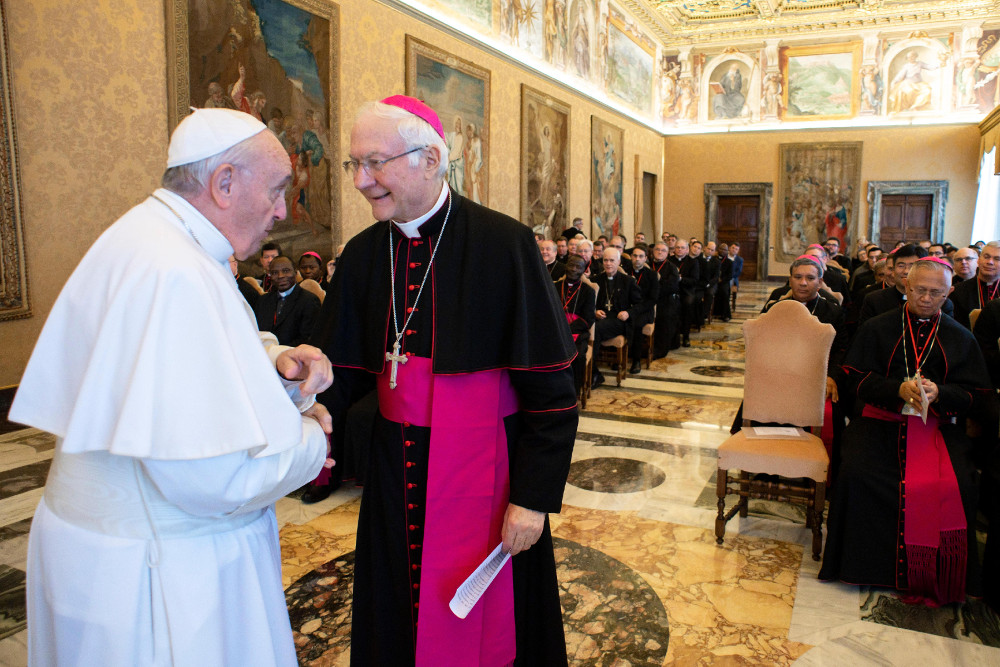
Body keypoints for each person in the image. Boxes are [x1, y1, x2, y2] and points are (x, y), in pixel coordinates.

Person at [10, 108, 335, 665]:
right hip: (160, 577)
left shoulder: (155, 239)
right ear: (224, 182)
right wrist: (312, 441)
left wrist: (275, 360)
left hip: (113, 552)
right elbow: (212, 480)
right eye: (278, 190)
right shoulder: (174, 269)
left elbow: (206, 343)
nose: (283, 210)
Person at [312, 96, 577, 665]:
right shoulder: (363, 256)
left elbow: (551, 392)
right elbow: (340, 374)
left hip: (491, 477)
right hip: (393, 474)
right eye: (353, 164)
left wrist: (532, 500)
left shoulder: (504, 245)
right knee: (395, 617)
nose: (361, 181)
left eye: (375, 162)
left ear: (430, 158)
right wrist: (306, 407)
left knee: (495, 623)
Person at [820, 258, 991, 605]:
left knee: (959, 480)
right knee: (855, 471)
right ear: (907, 288)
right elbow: (856, 379)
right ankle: (863, 566)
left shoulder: (961, 337)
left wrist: (941, 393)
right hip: (881, 420)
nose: (927, 298)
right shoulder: (877, 328)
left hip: (938, 427)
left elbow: (978, 395)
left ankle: (935, 572)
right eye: (920, 290)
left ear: (949, 292)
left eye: (936, 292)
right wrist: (896, 390)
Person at [591, 247, 641, 387]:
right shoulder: (596, 280)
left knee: (596, 329)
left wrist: (628, 313)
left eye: (612, 260)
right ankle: (591, 370)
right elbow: (588, 303)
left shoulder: (628, 281)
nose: (608, 263)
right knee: (587, 328)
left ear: (618, 261)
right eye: (605, 260)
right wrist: (595, 311)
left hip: (620, 321)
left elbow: (640, 304)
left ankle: (593, 373)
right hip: (601, 318)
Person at [254, 256, 322, 347]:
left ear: (295, 272)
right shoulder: (263, 300)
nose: (280, 276)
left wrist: (280, 352)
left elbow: (308, 338)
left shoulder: (309, 301)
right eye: (274, 272)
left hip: (295, 356)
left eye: (286, 271)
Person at [556, 255, 596, 394]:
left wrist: (566, 329)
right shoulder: (555, 287)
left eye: (578, 266)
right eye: (571, 265)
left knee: (578, 357)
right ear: (566, 266)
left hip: (577, 334)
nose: (573, 269)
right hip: (555, 332)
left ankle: (573, 393)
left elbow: (588, 318)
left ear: (584, 270)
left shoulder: (588, 291)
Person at [948, 241, 1000, 329]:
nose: (990, 262)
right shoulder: (958, 291)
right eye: (986, 257)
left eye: (997, 259)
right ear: (978, 260)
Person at [626, 244, 659, 374]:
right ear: (631, 257)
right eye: (635, 256)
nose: (637, 259)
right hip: (628, 308)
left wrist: (636, 310)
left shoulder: (652, 275)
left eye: (640, 256)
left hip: (645, 310)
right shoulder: (626, 272)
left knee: (637, 324)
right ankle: (621, 357)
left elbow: (652, 299)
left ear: (645, 258)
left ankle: (636, 360)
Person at [650, 241, 680, 358]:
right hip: (650, 299)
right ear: (653, 252)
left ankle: (660, 349)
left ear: (667, 253)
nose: (659, 252)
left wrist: (657, 286)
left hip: (665, 299)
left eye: (663, 250)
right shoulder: (647, 264)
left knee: (665, 317)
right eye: (657, 249)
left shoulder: (671, 268)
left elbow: (672, 286)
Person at [671, 239, 701, 347]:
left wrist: (680, 279)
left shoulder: (693, 262)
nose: (679, 250)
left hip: (686, 291)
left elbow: (694, 280)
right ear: (674, 249)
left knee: (688, 304)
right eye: (677, 247)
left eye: (682, 248)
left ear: (687, 249)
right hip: (671, 291)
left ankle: (686, 336)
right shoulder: (669, 260)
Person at [714, 243, 733, 322]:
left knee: (724, 292)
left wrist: (722, 280)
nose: (722, 251)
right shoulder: (713, 259)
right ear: (718, 249)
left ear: (727, 251)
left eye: (725, 249)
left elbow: (730, 275)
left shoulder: (729, 262)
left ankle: (725, 314)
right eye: (721, 249)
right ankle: (715, 313)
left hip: (723, 281)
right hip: (713, 281)